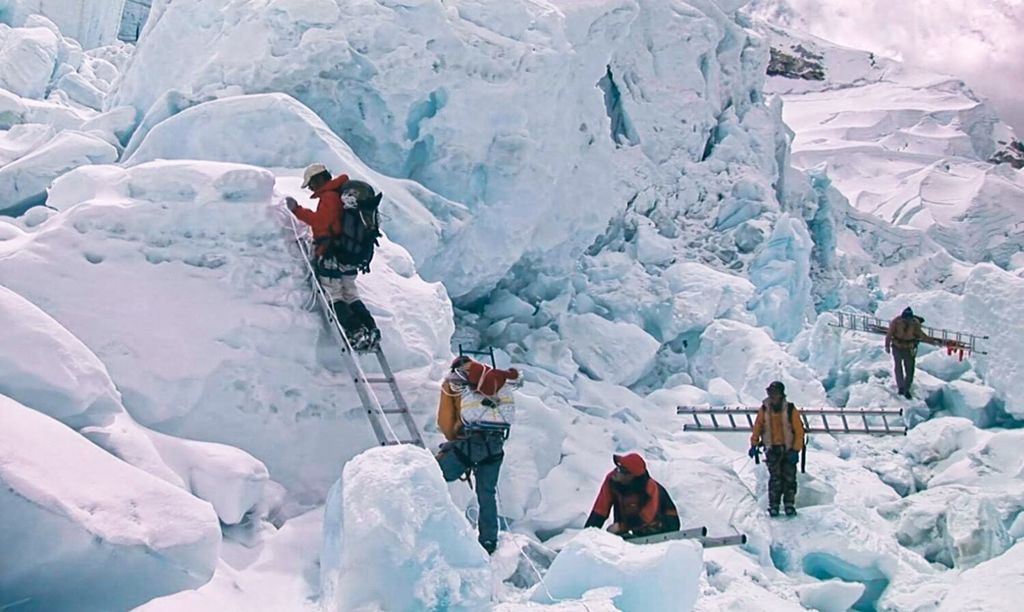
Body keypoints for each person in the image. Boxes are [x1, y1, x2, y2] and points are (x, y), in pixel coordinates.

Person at [287, 163, 380, 351]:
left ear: (319, 179)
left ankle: (355, 332)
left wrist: (297, 210)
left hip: (333, 255)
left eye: (311, 184)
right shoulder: (342, 195)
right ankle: (371, 329)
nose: (311, 188)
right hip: (352, 255)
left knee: (334, 294)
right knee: (351, 294)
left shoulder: (329, 197)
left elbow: (321, 222)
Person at [436, 356, 520, 554]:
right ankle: (489, 540)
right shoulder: (497, 380)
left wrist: (453, 438)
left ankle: (429, 529)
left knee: (435, 476)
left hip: (469, 443)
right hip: (496, 444)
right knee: (487, 493)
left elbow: (445, 421)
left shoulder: (454, 382)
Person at [584, 453, 680, 538]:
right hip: (637, 523)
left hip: (665, 523)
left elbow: (647, 516)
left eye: (620, 470)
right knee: (622, 500)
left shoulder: (650, 487)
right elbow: (600, 509)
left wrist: (621, 527)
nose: (615, 472)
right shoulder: (612, 480)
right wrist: (588, 535)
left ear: (629, 476)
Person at [749, 381, 804, 517]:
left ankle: (789, 505)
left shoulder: (790, 409)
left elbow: (799, 430)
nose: (772, 396)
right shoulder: (764, 409)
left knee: (789, 478)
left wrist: (796, 449)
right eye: (770, 393)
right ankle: (774, 505)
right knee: (775, 479)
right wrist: (754, 444)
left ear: (781, 394)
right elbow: (758, 426)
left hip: (788, 449)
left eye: (774, 393)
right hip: (772, 449)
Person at [885, 307, 930, 399]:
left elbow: (921, 334)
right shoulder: (896, 322)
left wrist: (931, 340)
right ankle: (901, 387)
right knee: (898, 367)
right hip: (897, 346)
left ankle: (906, 389)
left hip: (908, 348)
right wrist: (887, 345)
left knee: (910, 369)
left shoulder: (915, 323)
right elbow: (889, 334)